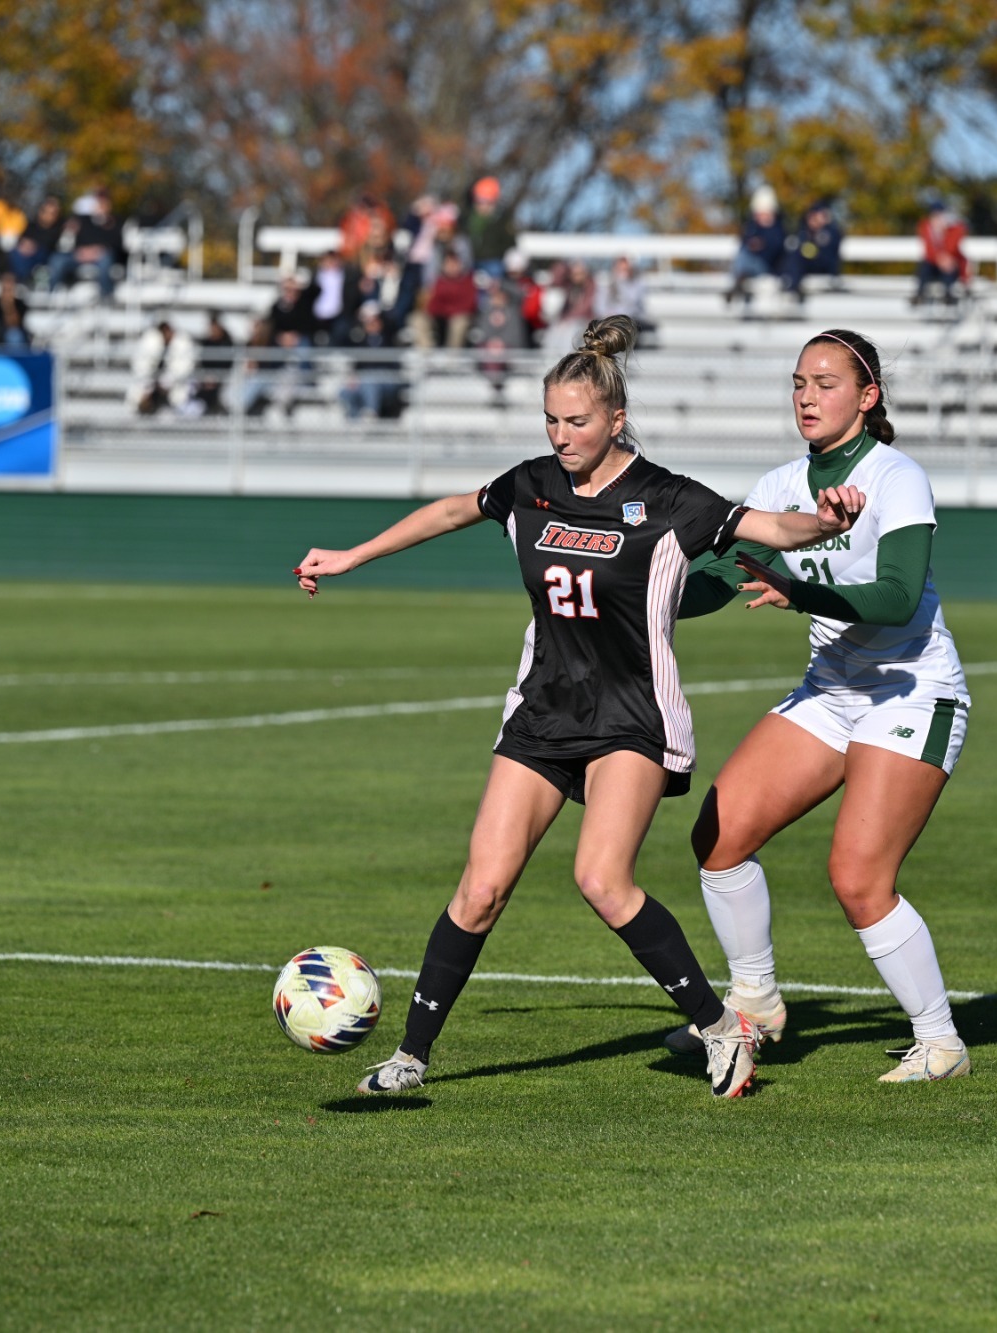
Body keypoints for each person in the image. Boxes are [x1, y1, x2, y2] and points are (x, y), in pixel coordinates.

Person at [292, 315, 868, 1100]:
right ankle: (410, 1056)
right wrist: (353, 555)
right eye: (552, 421)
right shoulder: (531, 484)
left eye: (579, 422)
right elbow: (455, 509)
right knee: (480, 887)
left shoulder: (669, 498)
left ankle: (719, 1027)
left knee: (601, 877)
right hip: (543, 711)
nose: (563, 436)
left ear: (616, 420)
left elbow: (768, 527)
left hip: (633, 715)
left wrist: (825, 521)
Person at [668, 330, 974, 1081]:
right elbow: (724, 576)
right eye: (799, 381)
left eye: (826, 382)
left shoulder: (896, 474)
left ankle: (940, 1042)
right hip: (831, 692)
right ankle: (757, 1002)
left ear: (867, 397)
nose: (806, 395)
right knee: (719, 831)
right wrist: (647, 599)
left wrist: (800, 590)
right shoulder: (780, 486)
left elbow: (899, 598)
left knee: (858, 876)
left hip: (912, 690)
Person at [726, 185, 786, 306]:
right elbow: (744, 245)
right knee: (743, 256)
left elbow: (777, 250)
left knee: (744, 258)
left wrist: (762, 245)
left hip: (767, 267)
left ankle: (739, 281)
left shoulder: (777, 229)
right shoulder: (752, 227)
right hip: (752, 264)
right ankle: (740, 281)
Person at [782, 199, 845, 299]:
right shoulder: (803, 231)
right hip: (807, 266)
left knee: (798, 257)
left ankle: (791, 286)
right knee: (795, 258)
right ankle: (790, 286)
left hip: (824, 268)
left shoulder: (831, 232)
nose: (814, 219)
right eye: (812, 216)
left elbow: (827, 255)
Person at [915, 197, 968, 305]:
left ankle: (948, 296)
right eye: (934, 215)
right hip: (934, 264)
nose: (937, 218)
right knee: (925, 267)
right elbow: (929, 249)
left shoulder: (954, 228)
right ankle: (919, 295)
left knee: (949, 268)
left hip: (950, 265)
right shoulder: (926, 227)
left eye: (939, 214)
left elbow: (953, 248)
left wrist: (944, 231)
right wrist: (940, 258)